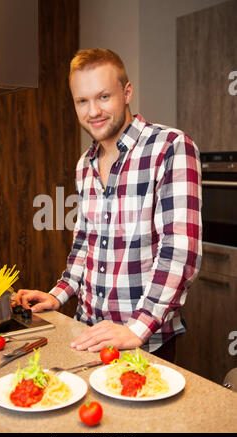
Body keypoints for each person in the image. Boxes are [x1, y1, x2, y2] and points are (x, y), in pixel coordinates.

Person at [16, 48, 202, 362]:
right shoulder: (84, 164)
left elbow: (179, 250)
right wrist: (58, 294)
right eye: (82, 101)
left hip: (143, 343)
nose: (93, 111)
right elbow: (85, 243)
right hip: (86, 333)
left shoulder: (170, 147)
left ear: (126, 93)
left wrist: (137, 328)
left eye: (103, 96)